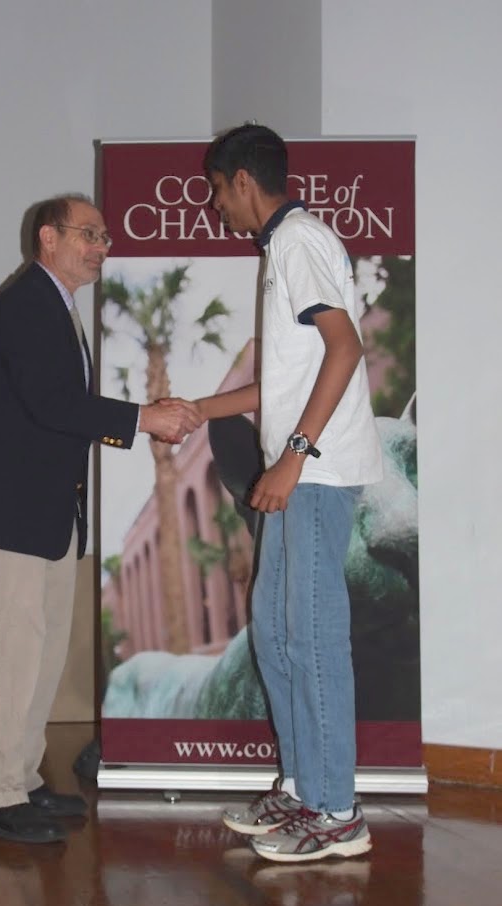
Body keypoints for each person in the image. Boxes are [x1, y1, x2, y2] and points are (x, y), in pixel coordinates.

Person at [0, 193, 200, 843]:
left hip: (46, 515)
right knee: (13, 651)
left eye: (104, 236)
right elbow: (51, 404)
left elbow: (55, 408)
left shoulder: (54, 308)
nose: (101, 247)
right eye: (88, 234)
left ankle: (22, 779)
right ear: (48, 238)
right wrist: (142, 419)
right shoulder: (24, 306)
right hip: (14, 517)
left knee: (39, 651)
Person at [194, 124, 383, 862]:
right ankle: (305, 787)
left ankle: (338, 812)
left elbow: (344, 347)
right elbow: (283, 376)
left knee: (310, 638)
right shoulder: (282, 247)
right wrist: (194, 411)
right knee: (274, 634)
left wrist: (294, 456)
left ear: (244, 180)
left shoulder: (297, 241)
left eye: (216, 190)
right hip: (298, 471)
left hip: (317, 471)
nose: (215, 207)